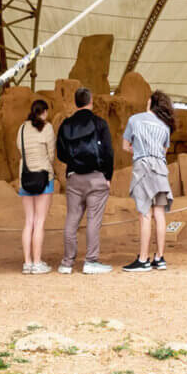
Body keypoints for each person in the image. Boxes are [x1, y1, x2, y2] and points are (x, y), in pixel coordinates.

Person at [56, 87, 114, 275]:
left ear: (75, 102)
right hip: (96, 178)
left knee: (72, 219)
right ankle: (91, 261)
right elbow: (108, 152)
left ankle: (67, 263)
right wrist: (108, 176)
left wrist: (73, 163)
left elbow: (61, 153)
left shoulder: (66, 124)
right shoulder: (100, 123)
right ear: (91, 102)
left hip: (74, 177)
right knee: (93, 220)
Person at [122, 91, 176, 273]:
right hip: (160, 170)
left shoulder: (134, 119)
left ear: (151, 102)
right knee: (159, 213)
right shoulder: (165, 126)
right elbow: (164, 151)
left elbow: (125, 146)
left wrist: (137, 150)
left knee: (145, 213)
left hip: (143, 169)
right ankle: (159, 258)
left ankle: (143, 259)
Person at [16, 98, 57, 274]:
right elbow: (51, 153)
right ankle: (37, 262)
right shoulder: (47, 128)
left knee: (29, 222)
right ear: (45, 112)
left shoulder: (22, 128)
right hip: (43, 177)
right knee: (39, 222)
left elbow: (20, 149)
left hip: (25, 177)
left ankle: (27, 263)